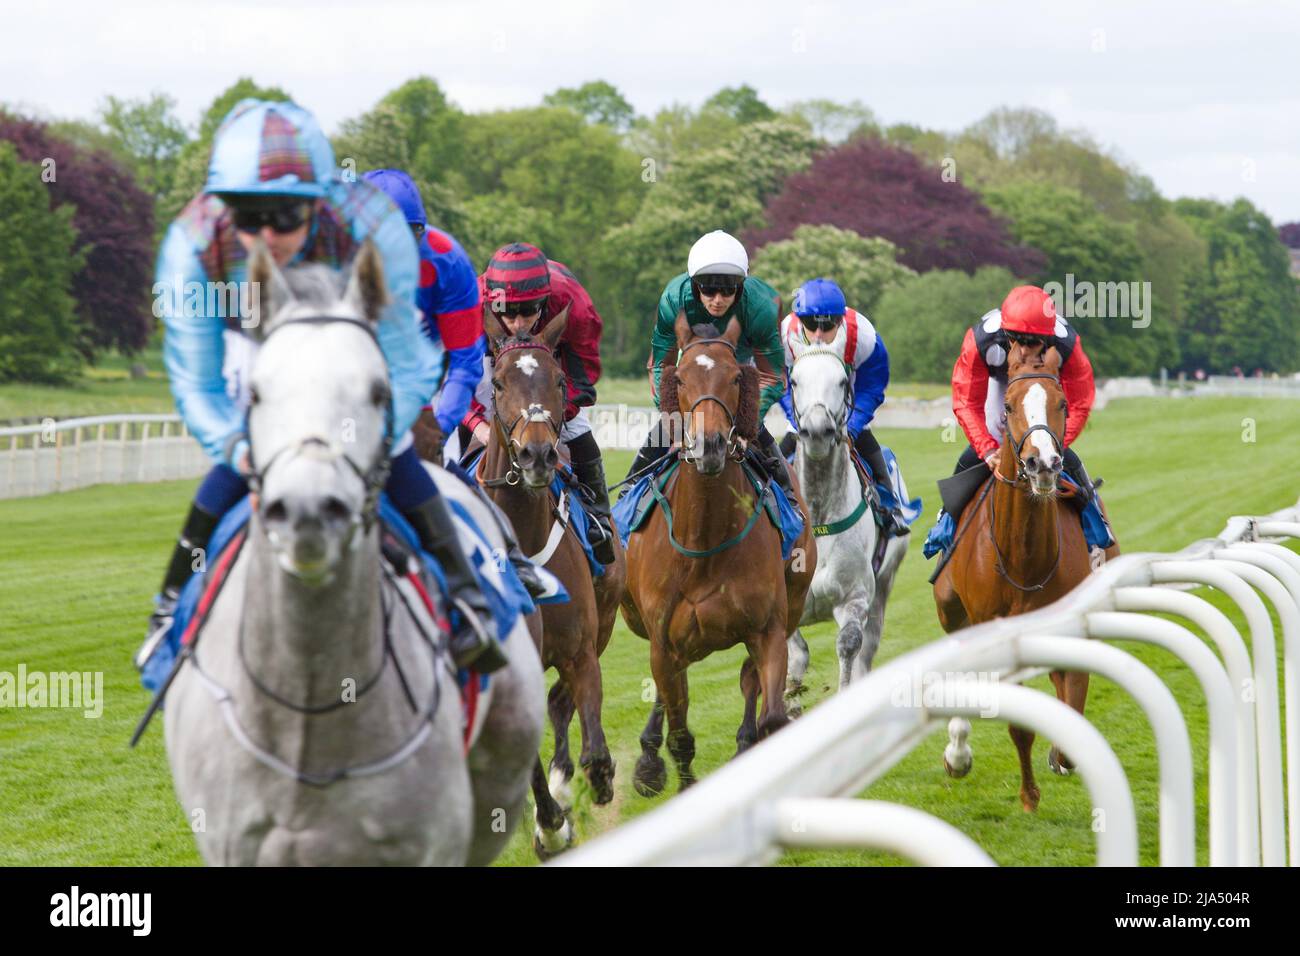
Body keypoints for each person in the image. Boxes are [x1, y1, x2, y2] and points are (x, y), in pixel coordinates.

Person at [144, 99, 504, 673]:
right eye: (246, 216)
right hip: (251, 339)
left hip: (348, 341)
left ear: (320, 203)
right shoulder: (192, 247)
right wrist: (242, 448)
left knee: (398, 447)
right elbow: (198, 382)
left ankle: (467, 598)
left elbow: (408, 365)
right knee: (237, 460)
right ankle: (167, 610)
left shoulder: (372, 234)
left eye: (288, 216)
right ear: (221, 207)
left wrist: (376, 433)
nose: (267, 235)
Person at [360, 169, 548, 598]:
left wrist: (441, 424)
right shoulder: (329, 262)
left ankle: (506, 562)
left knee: (449, 477)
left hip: (420, 386)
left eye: (411, 235)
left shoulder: (447, 261)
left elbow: (464, 363)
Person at [461, 242, 617, 565]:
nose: (519, 324)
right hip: (494, 366)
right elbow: (454, 379)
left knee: (580, 435)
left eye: (529, 311)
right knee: (447, 439)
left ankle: (599, 523)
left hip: (549, 371)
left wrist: (552, 416)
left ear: (545, 301)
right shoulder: (471, 305)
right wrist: (478, 425)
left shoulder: (573, 305)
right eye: (509, 314)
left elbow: (583, 376)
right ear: (493, 304)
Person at [926, 284, 1108, 555]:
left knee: (1071, 462)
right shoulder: (982, 339)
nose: (1023, 351)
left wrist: (1055, 444)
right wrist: (987, 449)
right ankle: (946, 526)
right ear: (1006, 333)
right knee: (967, 461)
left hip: (1043, 392)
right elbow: (966, 401)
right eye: (1016, 340)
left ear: (1047, 338)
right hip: (997, 388)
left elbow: (1080, 403)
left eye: (1032, 343)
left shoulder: (1066, 343)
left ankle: (1096, 527)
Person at [624, 230, 792, 494]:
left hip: (737, 365)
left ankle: (790, 499)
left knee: (754, 429)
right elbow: (661, 367)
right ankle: (628, 493)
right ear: (694, 285)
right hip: (694, 366)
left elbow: (772, 376)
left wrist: (747, 424)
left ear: (741, 286)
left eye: (728, 290)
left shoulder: (762, 305)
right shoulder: (674, 300)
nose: (717, 299)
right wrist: (674, 421)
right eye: (708, 289)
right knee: (662, 432)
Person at [776, 277, 909, 536]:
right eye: (811, 324)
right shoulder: (783, 337)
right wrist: (796, 420)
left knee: (870, 450)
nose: (817, 335)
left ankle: (889, 507)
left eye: (827, 326)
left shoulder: (865, 336)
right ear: (799, 319)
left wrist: (854, 427)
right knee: (776, 462)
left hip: (846, 402)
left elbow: (872, 387)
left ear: (841, 320)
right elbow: (779, 384)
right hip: (804, 409)